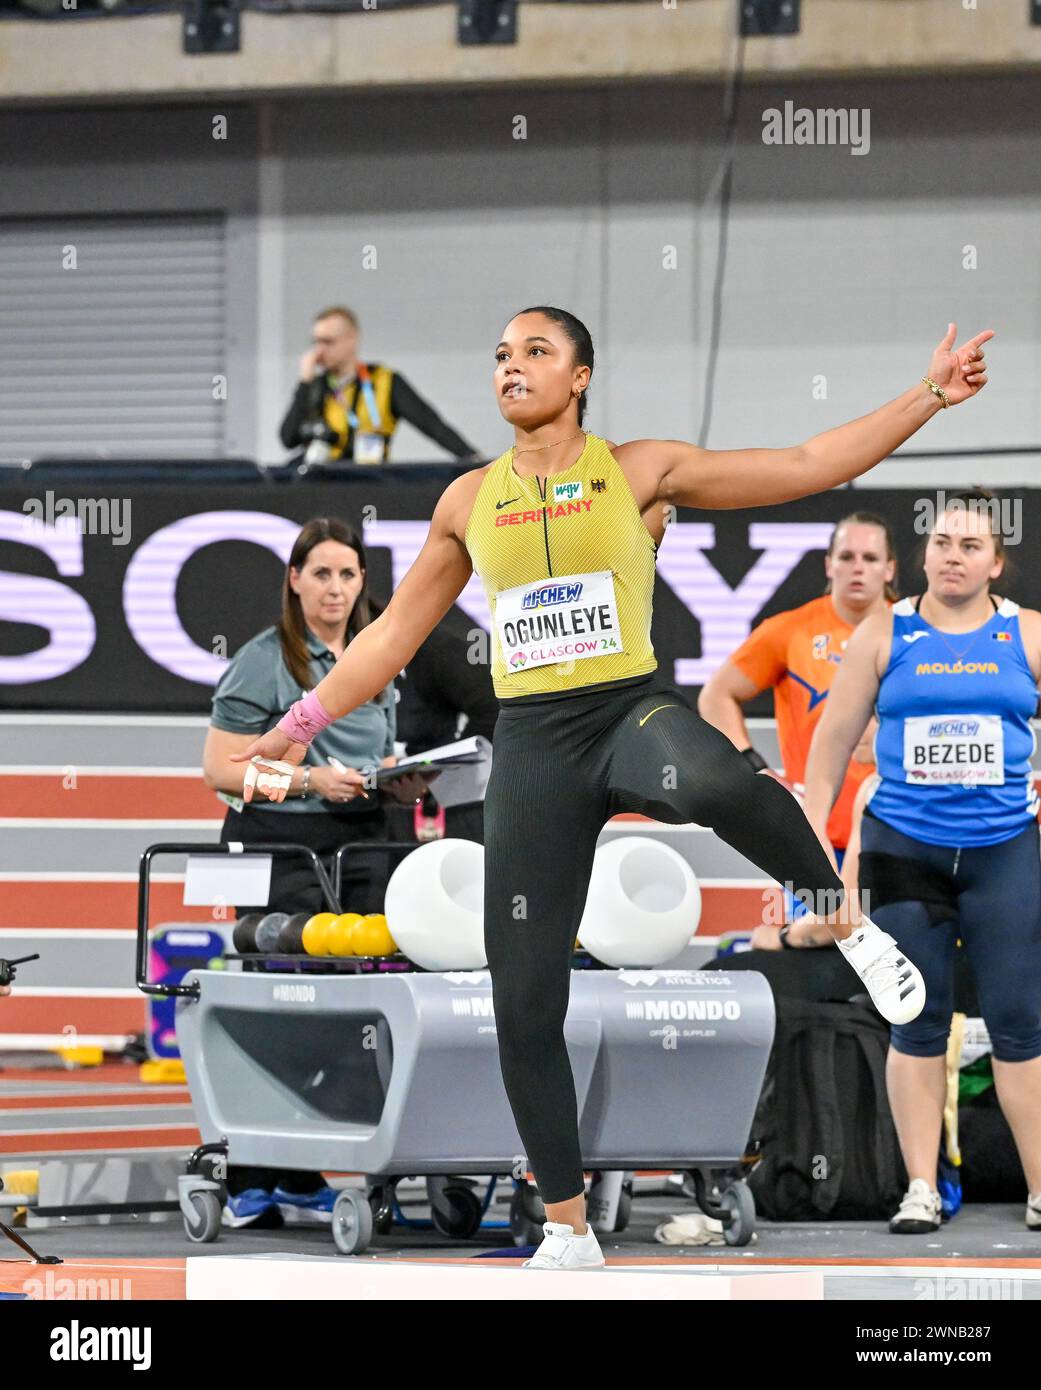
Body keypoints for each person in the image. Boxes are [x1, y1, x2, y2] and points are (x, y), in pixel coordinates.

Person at [228, 305, 991, 1270]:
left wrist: (928, 394)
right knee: (523, 995)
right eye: (500, 354)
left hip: (624, 714)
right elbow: (386, 641)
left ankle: (841, 915)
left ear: (581, 375)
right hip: (536, 744)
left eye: (535, 352)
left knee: (715, 777)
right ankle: (567, 1225)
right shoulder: (470, 500)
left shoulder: (636, 471)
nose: (511, 367)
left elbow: (810, 463)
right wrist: (289, 734)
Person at [803, 489, 1041, 1235]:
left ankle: (1039, 1188)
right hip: (903, 849)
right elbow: (830, 747)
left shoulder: (1027, 635)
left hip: (1004, 851)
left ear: (994, 564)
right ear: (923, 556)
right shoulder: (885, 631)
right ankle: (917, 1187)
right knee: (914, 1018)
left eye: (969, 546)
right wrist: (812, 841)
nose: (951, 555)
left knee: (1018, 1022)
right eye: (941, 542)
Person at [201, 516, 428, 1229]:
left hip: (365, 841)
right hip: (280, 847)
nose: (334, 588)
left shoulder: (377, 656)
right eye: (320, 573)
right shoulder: (262, 660)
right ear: (294, 581)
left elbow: (375, 754)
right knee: (282, 1005)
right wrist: (307, 784)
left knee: (358, 1007)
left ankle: (317, 1165)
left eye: (347, 574)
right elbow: (221, 775)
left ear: (363, 583)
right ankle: (253, 1175)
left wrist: (398, 780)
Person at [699, 511, 895, 931]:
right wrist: (755, 767)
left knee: (898, 958)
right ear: (829, 565)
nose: (857, 567)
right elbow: (716, 694)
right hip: (814, 836)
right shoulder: (791, 631)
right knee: (813, 956)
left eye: (870, 558)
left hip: (894, 833)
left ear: (890, 568)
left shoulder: (912, 632)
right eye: (846, 556)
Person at [280, 306, 480, 466]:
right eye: (316, 342)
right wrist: (304, 383)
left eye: (328, 342)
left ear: (352, 339)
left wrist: (472, 459)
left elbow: (432, 425)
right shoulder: (314, 386)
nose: (319, 351)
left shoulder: (384, 381)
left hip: (369, 481)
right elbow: (288, 439)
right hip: (320, 482)